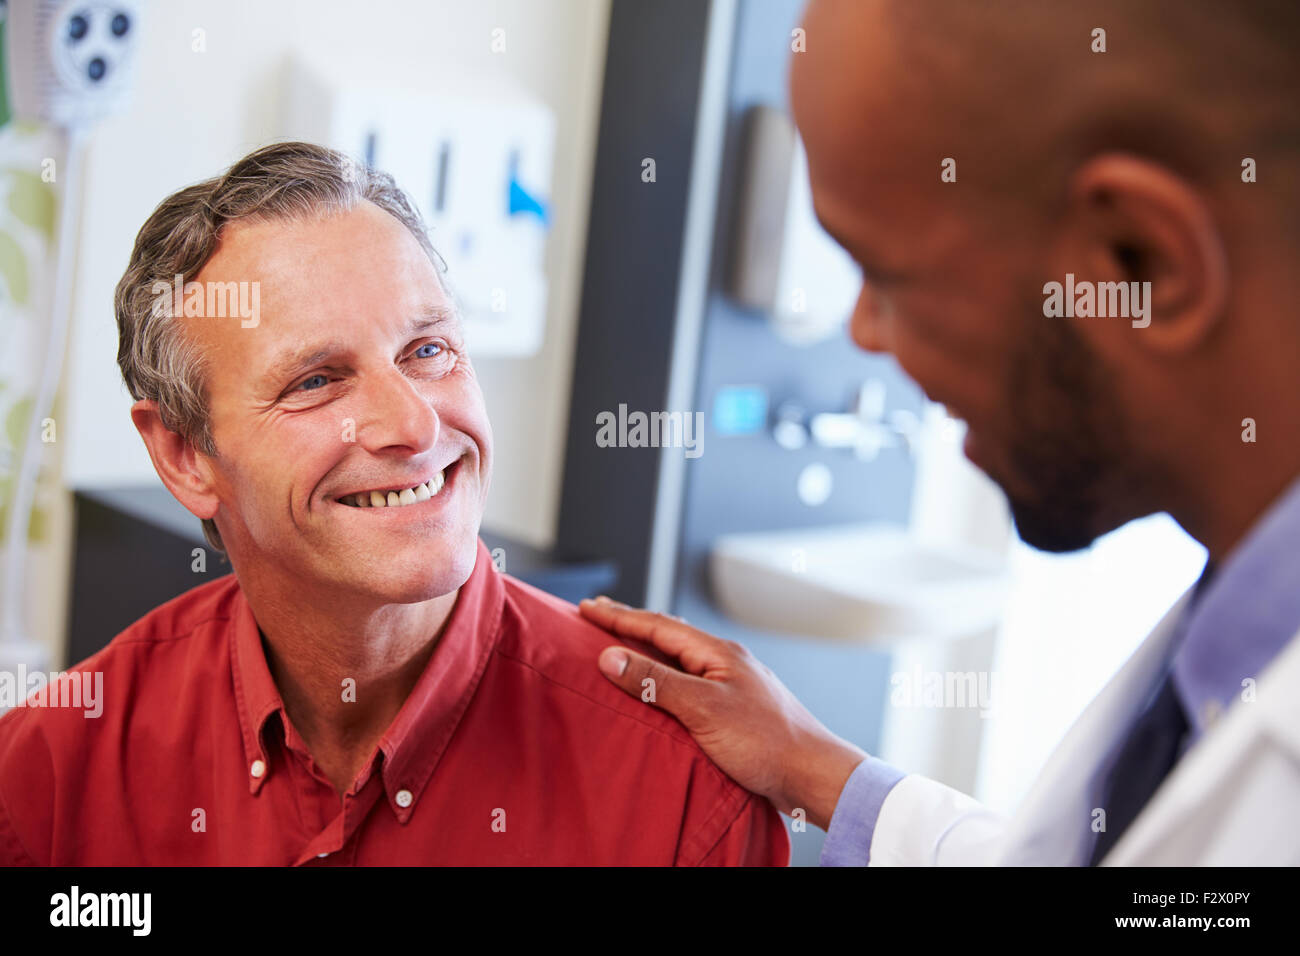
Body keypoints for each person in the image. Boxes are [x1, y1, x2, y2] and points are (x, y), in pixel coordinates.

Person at [581, 0, 1300, 865]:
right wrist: (809, 763)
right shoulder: (1231, 645)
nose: (864, 336)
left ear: (1140, 263)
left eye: (887, 277)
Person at [0, 142, 789, 866]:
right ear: (184, 455)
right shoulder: (52, 774)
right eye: (315, 380)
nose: (415, 424)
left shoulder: (687, 795)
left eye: (429, 351)